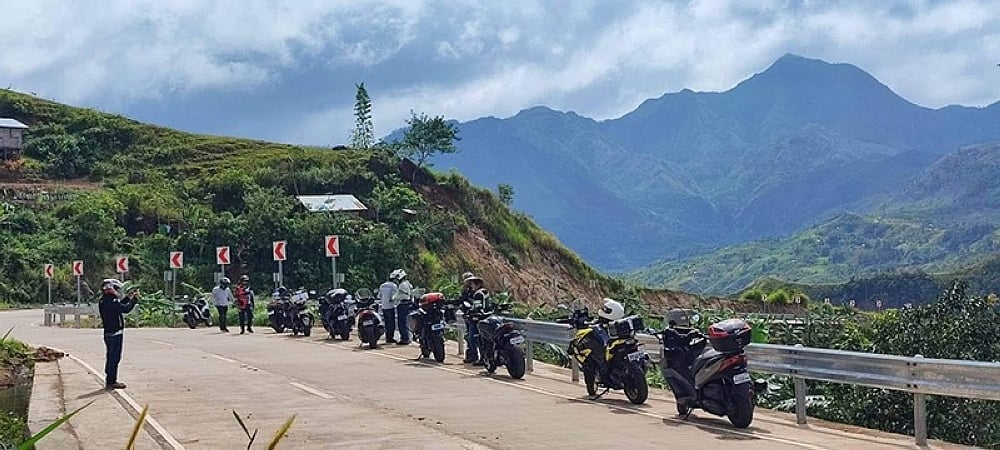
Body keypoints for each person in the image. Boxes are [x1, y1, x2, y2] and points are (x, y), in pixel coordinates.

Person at [98, 279, 138, 390]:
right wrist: (134, 300)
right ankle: (111, 381)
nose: (117, 291)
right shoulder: (111, 300)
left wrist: (128, 298)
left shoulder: (104, 300)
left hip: (109, 333)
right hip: (115, 333)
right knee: (114, 358)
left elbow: (119, 306)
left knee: (111, 357)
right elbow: (125, 309)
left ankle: (110, 378)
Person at [459, 273, 489, 365]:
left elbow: (477, 307)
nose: (471, 285)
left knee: (474, 338)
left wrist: (470, 313)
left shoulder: (478, 294)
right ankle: (480, 357)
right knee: (478, 338)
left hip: (477, 318)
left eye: (472, 283)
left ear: (477, 284)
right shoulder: (483, 292)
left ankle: (481, 358)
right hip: (483, 317)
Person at [391, 269, 414, 345]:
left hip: (403, 304)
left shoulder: (402, 285)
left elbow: (399, 295)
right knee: (406, 321)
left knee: (402, 322)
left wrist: (393, 298)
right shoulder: (407, 283)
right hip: (408, 304)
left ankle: (405, 338)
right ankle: (407, 337)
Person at [378, 272, 399, 344]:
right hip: (390, 306)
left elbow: (379, 296)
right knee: (391, 323)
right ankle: (390, 338)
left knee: (386, 323)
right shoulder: (393, 286)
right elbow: (394, 296)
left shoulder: (382, 285)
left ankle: (387, 338)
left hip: (384, 306)